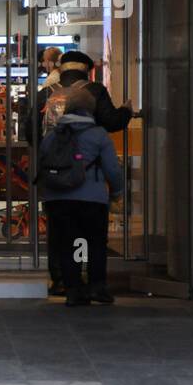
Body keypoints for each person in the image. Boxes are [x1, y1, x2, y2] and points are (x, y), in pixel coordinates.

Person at [39, 87, 123, 307]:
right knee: (95, 243)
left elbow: (43, 164)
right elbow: (112, 169)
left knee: (67, 243)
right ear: (90, 109)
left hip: (57, 198)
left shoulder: (51, 136)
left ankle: (73, 290)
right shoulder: (98, 135)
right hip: (91, 199)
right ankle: (97, 287)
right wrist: (117, 192)